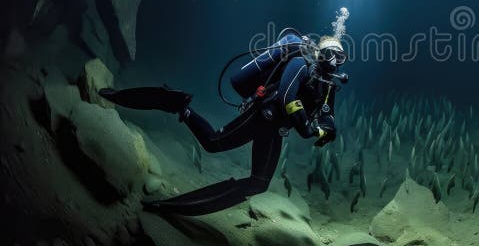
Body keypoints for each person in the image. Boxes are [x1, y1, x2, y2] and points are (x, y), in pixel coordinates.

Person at [99, 32, 348, 216]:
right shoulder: (300, 64)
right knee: (212, 144)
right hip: (263, 116)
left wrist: (329, 129)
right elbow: (286, 96)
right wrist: (307, 128)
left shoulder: (328, 83)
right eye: (329, 54)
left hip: (275, 129)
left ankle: (174, 206)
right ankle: (178, 105)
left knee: (258, 183)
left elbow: (328, 113)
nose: (334, 62)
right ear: (318, 53)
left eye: (340, 56)